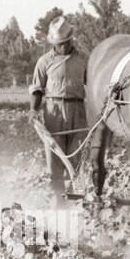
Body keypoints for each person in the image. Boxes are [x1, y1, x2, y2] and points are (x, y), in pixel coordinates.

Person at [29, 15, 87, 200]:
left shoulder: (83, 60)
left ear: (70, 40)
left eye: (65, 42)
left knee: (76, 160)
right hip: (54, 112)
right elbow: (37, 90)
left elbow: (93, 86)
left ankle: (77, 202)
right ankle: (59, 203)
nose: (62, 46)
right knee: (55, 162)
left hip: (78, 111)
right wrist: (33, 110)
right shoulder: (44, 62)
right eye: (59, 43)